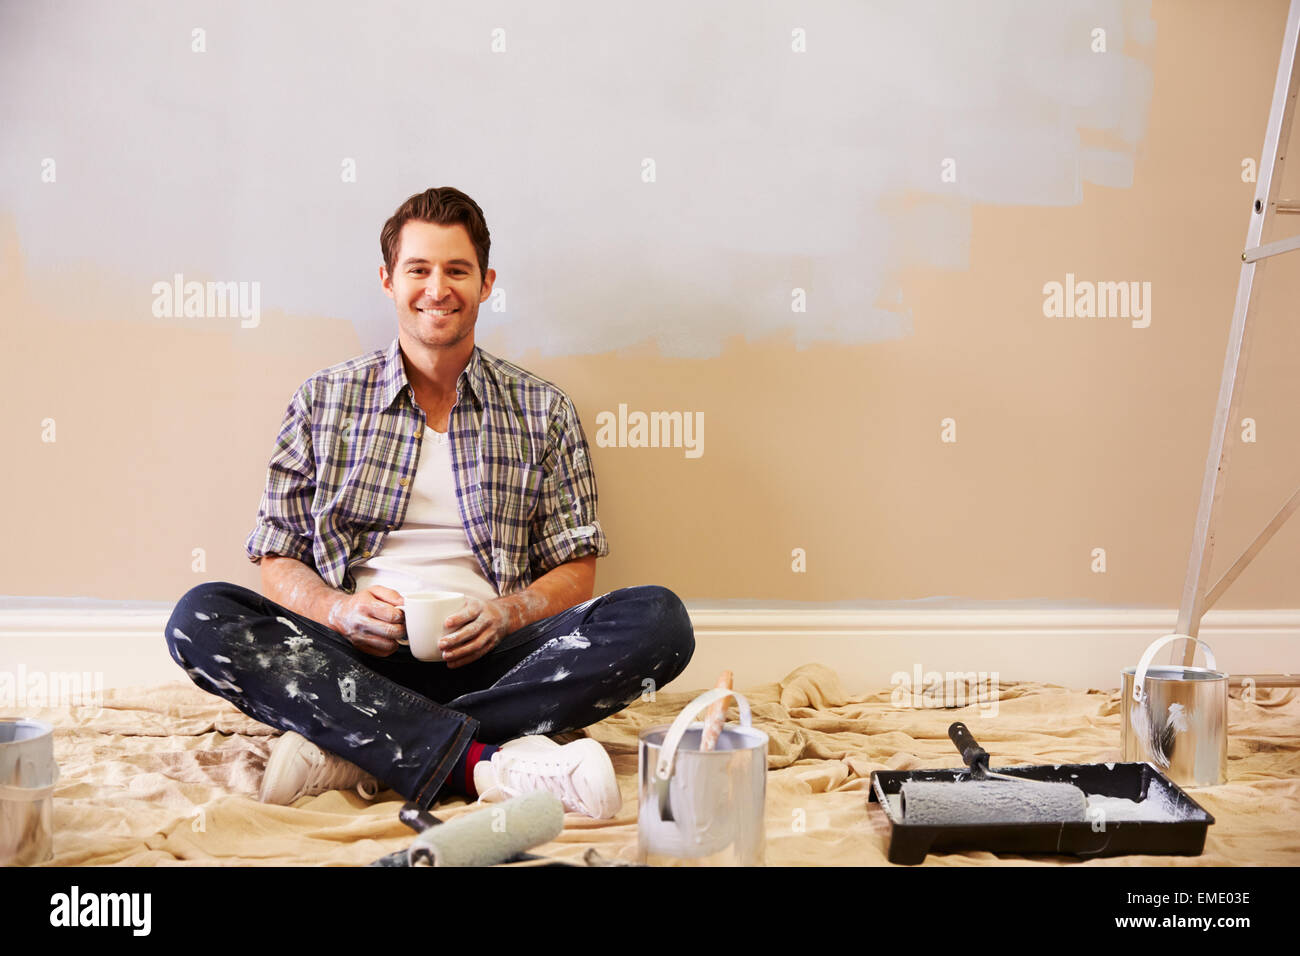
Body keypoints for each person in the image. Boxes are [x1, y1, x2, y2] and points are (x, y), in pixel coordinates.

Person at [164, 186, 695, 819]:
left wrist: (504, 614)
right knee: (200, 616)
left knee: (661, 620)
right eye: (418, 269)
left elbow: (578, 569)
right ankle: (484, 762)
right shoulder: (323, 400)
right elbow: (277, 556)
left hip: (496, 663)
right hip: (355, 659)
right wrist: (340, 611)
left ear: (486, 282)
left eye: (456, 270)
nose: (436, 288)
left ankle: (357, 746)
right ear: (388, 281)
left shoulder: (542, 410)